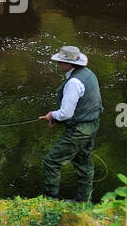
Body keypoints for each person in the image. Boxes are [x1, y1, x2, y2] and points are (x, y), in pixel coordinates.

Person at [39, 45, 102, 202]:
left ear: (68, 64)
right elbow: (83, 106)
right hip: (92, 125)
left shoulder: (73, 83)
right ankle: (83, 201)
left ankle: (50, 201)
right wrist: (57, 119)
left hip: (79, 130)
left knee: (51, 161)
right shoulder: (89, 74)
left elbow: (66, 113)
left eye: (60, 61)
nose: (58, 64)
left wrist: (52, 115)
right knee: (83, 163)